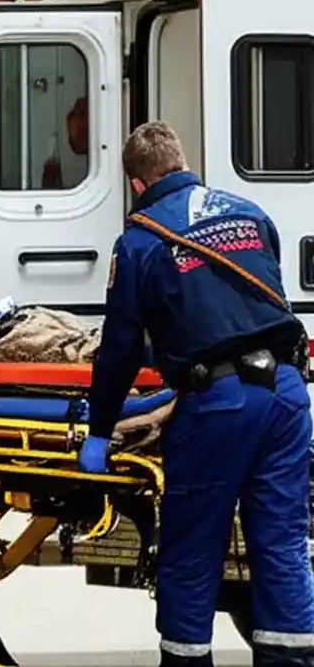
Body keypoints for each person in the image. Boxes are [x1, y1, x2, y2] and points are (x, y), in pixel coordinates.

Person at [80, 121, 314, 667]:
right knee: (282, 546)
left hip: (220, 404)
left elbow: (117, 349)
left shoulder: (139, 240)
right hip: (285, 394)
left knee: (191, 548)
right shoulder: (249, 213)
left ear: (138, 185)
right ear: (182, 161)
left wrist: (98, 431)